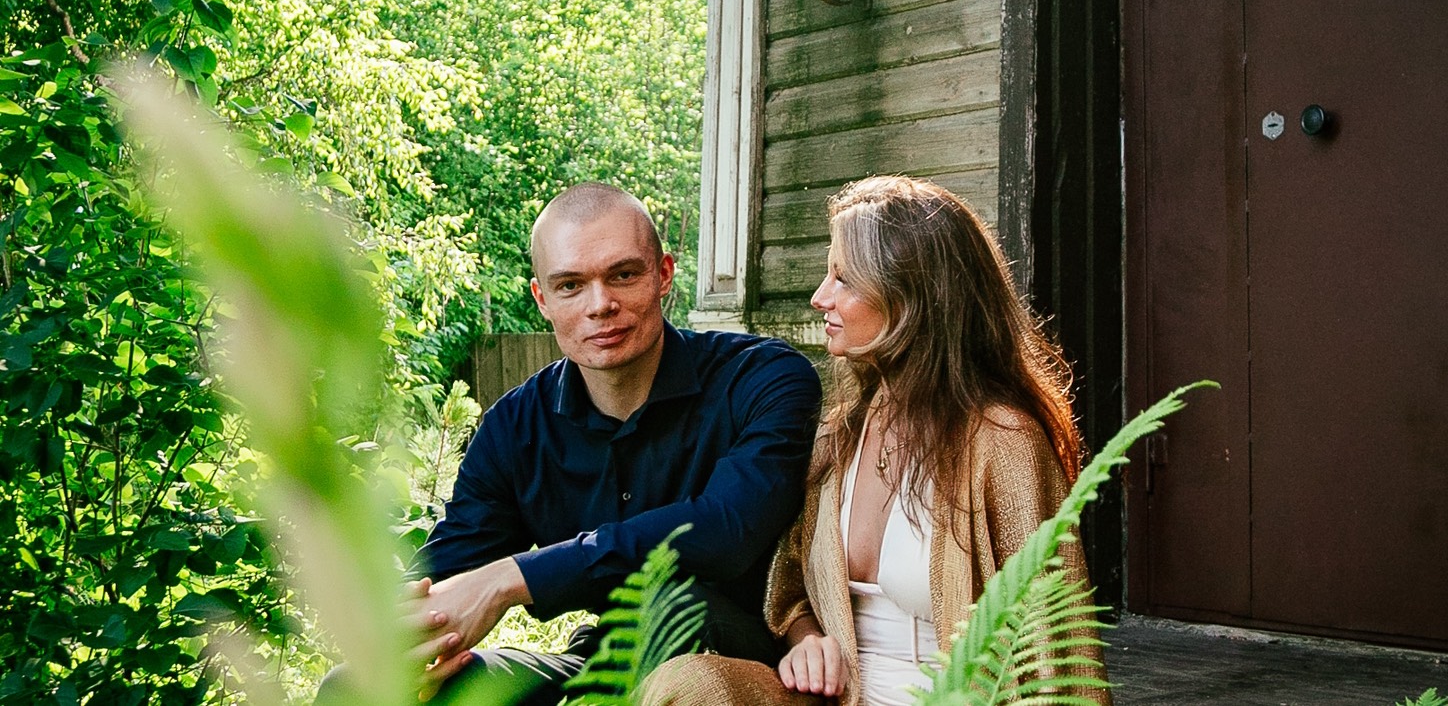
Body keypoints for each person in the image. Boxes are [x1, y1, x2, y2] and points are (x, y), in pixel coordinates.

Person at [325, 182, 823, 706]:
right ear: (542, 298)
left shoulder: (763, 378)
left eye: (624, 275)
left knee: (664, 606)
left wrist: (512, 578)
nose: (600, 305)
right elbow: (447, 572)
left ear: (664, 275)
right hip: (604, 661)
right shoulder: (516, 429)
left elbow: (727, 529)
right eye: (570, 285)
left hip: (750, 665)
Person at [641, 175, 1109, 706]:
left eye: (844, 279)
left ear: (914, 297)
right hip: (837, 699)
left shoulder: (1004, 441)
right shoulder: (839, 434)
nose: (820, 297)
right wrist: (809, 641)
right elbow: (789, 590)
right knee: (691, 685)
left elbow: (1059, 651)